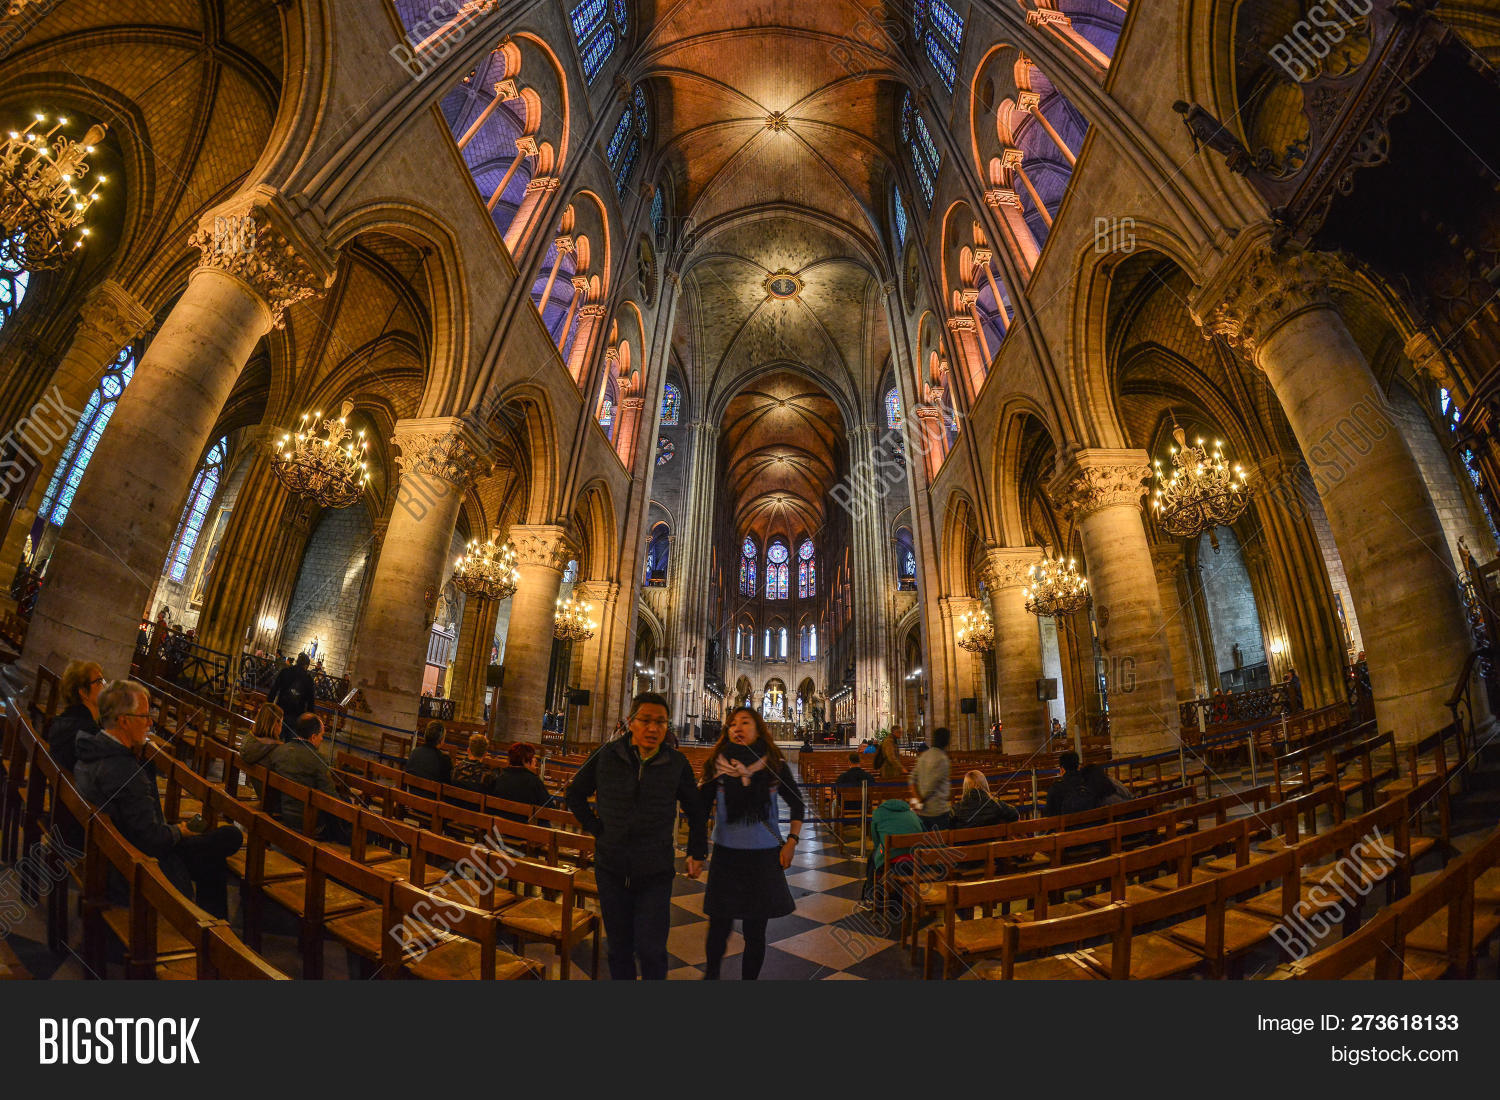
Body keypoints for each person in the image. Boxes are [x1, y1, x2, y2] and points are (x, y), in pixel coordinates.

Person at [565, 693, 708, 981]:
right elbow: (574, 793)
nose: (653, 729)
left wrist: (697, 851)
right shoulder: (606, 756)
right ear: (631, 722)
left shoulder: (676, 763)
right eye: (645, 720)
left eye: (661, 722)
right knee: (618, 949)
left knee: (651, 950)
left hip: (655, 871)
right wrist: (598, 830)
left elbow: (696, 809)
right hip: (611, 869)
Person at [74, 680, 242, 917]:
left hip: (111, 851)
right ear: (124, 721)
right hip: (135, 868)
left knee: (223, 842)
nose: (151, 722)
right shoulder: (126, 773)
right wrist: (180, 831)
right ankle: (209, 930)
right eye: (145, 716)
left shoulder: (89, 751)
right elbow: (153, 840)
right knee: (219, 851)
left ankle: (211, 925)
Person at [697, 707, 804, 980]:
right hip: (726, 856)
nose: (738, 727)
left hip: (763, 857)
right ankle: (711, 976)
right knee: (719, 927)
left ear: (758, 728)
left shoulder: (773, 764)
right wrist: (695, 851)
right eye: (732, 723)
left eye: (745, 722)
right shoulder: (717, 765)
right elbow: (698, 811)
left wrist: (791, 841)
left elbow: (796, 804)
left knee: (755, 932)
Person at [264, 713, 350, 841]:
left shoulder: (279, 751)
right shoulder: (317, 760)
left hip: (282, 811)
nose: (322, 739)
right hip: (308, 822)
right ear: (313, 737)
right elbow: (331, 798)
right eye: (321, 736)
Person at [47, 659, 105, 774]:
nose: (105, 686)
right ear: (83, 692)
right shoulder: (89, 733)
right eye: (99, 682)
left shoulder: (64, 720)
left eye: (103, 680)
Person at [488, 743, 553, 821]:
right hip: (523, 829)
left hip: (497, 826)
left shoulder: (498, 776)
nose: (535, 760)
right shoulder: (533, 781)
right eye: (532, 758)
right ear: (525, 761)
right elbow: (549, 808)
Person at [910, 725, 952, 831]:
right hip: (937, 810)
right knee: (938, 844)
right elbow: (931, 786)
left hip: (922, 810)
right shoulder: (942, 758)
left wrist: (917, 799)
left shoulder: (924, 755)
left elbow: (911, 779)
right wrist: (920, 799)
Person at [266, 652, 317, 738]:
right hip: (297, 715)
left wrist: (269, 705)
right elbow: (310, 702)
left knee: (276, 737)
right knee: (291, 743)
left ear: (297, 661)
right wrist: (309, 719)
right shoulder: (308, 679)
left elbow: (274, 689)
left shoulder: (285, 672)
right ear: (306, 666)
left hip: (281, 710)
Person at [953, 771, 1020, 828]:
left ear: (965, 787)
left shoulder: (956, 808)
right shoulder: (995, 803)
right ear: (984, 784)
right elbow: (1015, 815)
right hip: (992, 842)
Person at [1045, 751, 1097, 817]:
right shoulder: (1090, 782)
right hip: (1092, 824)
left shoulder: (1056, 788)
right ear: (1078, 766)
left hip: (1067, 826)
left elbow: (1049, 814)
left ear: (1062, 769)